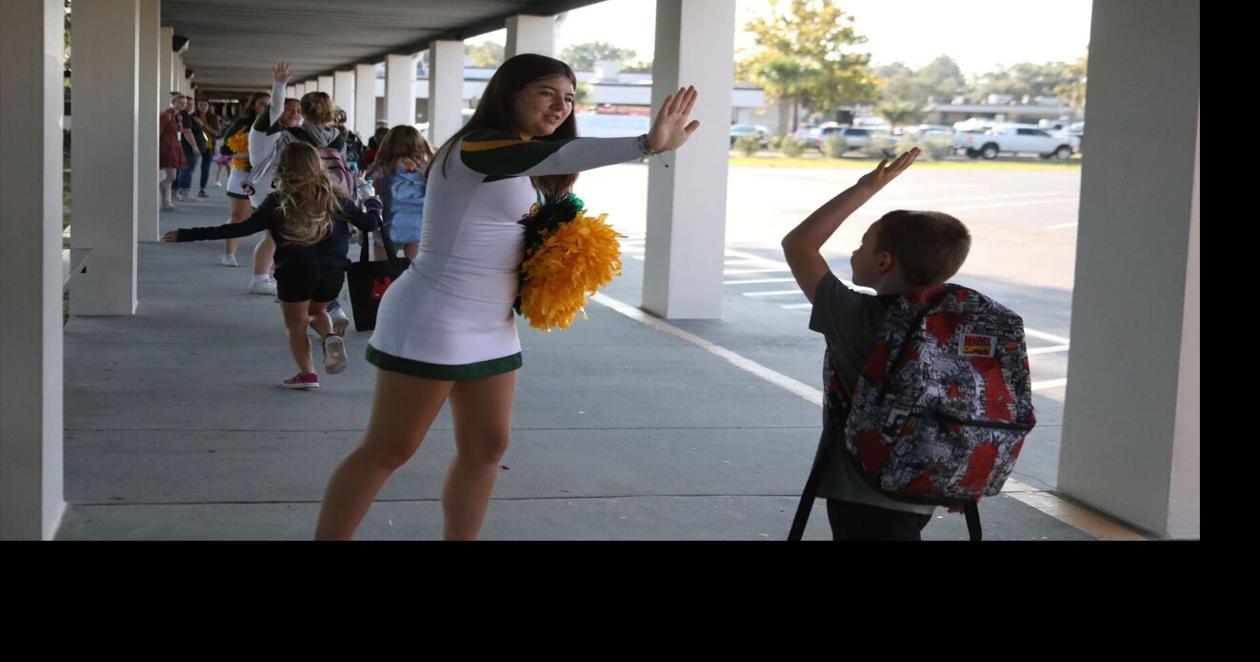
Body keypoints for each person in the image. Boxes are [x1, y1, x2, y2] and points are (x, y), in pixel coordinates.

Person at [314, 53, 701, 540]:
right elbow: (555, 157)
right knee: (390, 449)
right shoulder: (475, 147)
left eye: (568, 98)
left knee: (487, 448)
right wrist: (645, 144)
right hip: (436, 316)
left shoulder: (521, 154)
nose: (560, 107)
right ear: (508, 93)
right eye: (546, 93)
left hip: (492, 324)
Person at [780, 147, 975, 540]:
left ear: (884, 261)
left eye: (862, 244)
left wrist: (865, 187)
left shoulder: (856, 316)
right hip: (923, 483)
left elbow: (799, 244)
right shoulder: (953, 323)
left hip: (861, 488)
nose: (854, 252)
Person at [164, 142, 383, 389]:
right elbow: (370, 224)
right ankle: (329, 336)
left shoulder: (278, 200)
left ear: (284, 167)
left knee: (296, 324)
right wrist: (373, 204)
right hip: (332, 272)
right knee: (317, 311)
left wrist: (188, 234)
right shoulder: (337, 199)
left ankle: (308, 375)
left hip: (294, 272)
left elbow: (239, 229)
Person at [364, 124, 435, 261]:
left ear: (388, 145)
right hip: (417, 226)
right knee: (414, 267)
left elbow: (367, 188)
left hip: (387, 225)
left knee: (383, 268)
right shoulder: (425, 167)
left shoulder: (384, 167)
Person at [158, 94, 189, 210]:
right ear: (173, 102)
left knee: (170, 177)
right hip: (167, 148)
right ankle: (155, 193)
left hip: (175, 147)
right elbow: (159, 131)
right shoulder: (166, 115)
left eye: (184, 103)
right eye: (179, 102)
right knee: (171, 177)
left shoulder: (178, 117)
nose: (182, 105)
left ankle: (166, 202)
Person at [194, 98, 221, 198]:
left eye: (205, 105)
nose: (203, 107)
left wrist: (203, 125)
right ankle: (183, 189)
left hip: (208, 146)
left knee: (205, 168)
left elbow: (217, 133)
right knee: (189, 167)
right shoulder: (193, 116)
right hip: (194, 145)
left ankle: (202, 189)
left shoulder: (213, 118)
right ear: (197, 106)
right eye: (200, 105)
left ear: (208, 107)